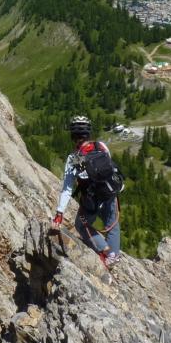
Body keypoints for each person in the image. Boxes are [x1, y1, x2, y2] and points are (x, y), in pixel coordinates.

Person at [51, 115, 122, 269]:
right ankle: (113, 256)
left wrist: (59, 214)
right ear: (88, 133)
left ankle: (105, 252)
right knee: (112, 226)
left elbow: (67, 188)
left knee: (81, 225)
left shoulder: (73, 158)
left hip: (91, 199)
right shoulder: (101, 146)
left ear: (73, 135)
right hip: (110, 192)